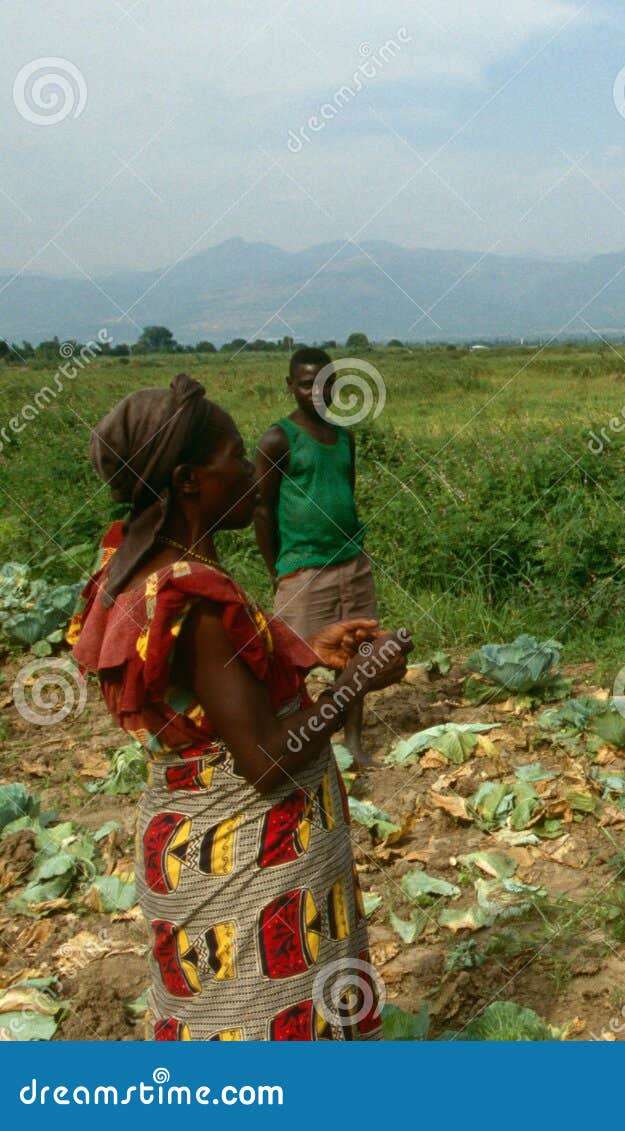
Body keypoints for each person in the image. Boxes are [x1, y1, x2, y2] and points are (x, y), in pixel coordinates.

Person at [68, 373, 412, 1041]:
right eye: (232, 456)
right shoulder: (194, 602)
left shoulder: (141, 571)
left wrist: (308, 650)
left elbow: (204, 700)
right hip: (250, 870)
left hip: (191, 850)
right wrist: (355, 685)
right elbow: (264, 760)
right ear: (190, 479)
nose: (252, 473)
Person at [254, 347, 380, 766]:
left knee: (358, 655)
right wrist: (277, 571)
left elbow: (346, 488)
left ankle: (354, 741)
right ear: (290, 385)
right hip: (304, 570)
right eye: (306, 384)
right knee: (295, 662)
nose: (316, 392)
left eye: (325, 383)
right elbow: (262, 509)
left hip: (351, 561)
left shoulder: (345, 436)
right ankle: (300, 745)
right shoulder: (278, 439)